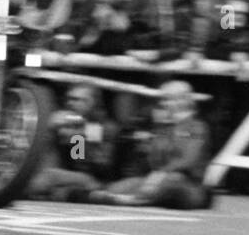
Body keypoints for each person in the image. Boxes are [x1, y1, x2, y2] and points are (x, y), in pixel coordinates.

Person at [90, 80, 213, 209]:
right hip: (158, 177)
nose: (162, 104)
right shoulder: (165, 129)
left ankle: (134, 198)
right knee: (116, 187)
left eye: (166, 100)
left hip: (188, 184)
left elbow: (187, 160)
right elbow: (153, 162)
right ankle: (123, 195)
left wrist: (160, 172)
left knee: (171, 181)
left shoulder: (196, 127)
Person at [26, 82, 117, 201]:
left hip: (93, 179)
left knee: (49, 177)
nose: (70, 103)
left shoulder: (102, 126)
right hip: (69, 173)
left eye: (76, 99)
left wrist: (75, 137)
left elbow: (96, 162)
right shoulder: (70, 120)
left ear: (92, 102)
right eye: (69, 99)